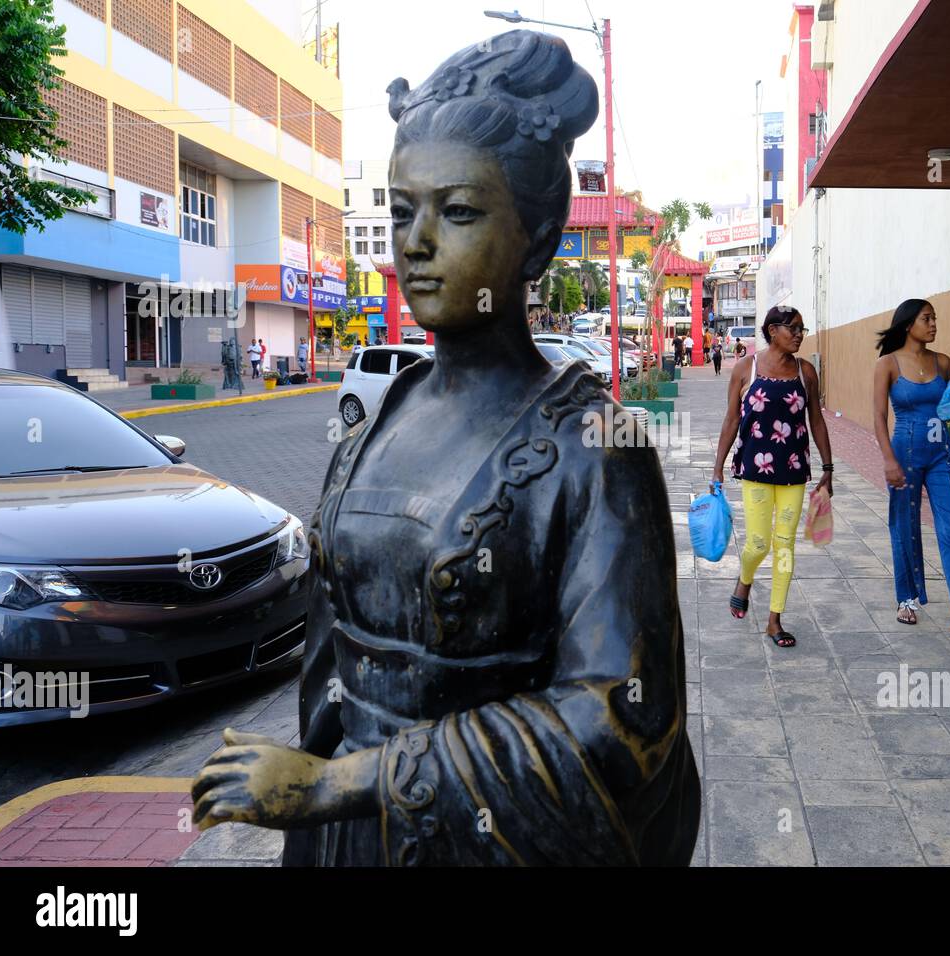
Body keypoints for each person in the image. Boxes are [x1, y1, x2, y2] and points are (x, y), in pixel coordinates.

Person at [191, 29, 699, 866]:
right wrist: (316, 793)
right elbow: (331, 656)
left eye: (458, 212)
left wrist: (345, 785)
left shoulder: (596, 449)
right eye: (401, 211)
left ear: (537, 241)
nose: (415, 243)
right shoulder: (379, 416)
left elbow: (622, 715)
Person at [872, 298, 950, 642]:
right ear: (908, 324)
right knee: (905, 526)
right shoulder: (888, 364)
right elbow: (879, 417)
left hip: (941, 454)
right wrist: (888, 460)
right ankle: (906, 599)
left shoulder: (943, 363)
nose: (934, 324)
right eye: (927, 318)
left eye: (935, 318)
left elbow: (949, 410)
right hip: (904, 454)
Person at [713, 306, 833, 647]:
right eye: (792, 328)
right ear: (772, 330)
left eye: (802, 328)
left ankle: (774, 619)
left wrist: (828, 468)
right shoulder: (744, 369)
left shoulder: (805, 372)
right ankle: (745, 579)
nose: (798, 334)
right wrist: (717, 466)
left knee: (784, 544)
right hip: (755, 467)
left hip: (794, 470)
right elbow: (731, 420)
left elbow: (817, 421)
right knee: (758, 543)